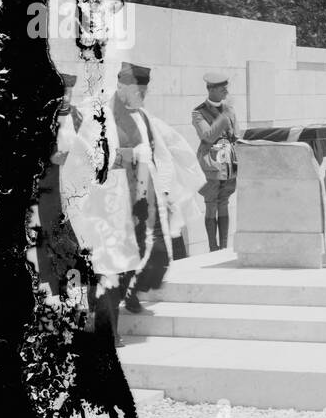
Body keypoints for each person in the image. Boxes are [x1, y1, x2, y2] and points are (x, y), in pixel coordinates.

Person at [63, 62, 202, 346]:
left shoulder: (142, 117)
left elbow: (163, 151)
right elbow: (87, 155)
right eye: (137, 90)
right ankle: (108, 328)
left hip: (140, 202)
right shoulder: (97, 113)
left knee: (142, 259)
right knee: (111, 263)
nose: (141, 96)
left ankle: (126, 299)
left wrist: (165, 192)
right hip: (108, 203)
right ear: (123, 86)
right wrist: (126, 154)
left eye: (145, 91)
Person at [33, 72, 85, 296]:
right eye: (61, 92)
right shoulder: (44, 116)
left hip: (73, 185)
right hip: (50, 185)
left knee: (73, 233)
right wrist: (53, 155)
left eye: (68, 92)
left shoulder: (76, 115)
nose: (65, 96)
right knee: (51, 232)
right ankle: (54, 287)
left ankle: (73, 285)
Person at [192, 70, 241, 251]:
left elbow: (236, 136)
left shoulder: (230, 111)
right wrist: (225, 115)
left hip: (228, 164)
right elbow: (208, 136)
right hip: (210, 164)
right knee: (211, 204)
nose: (226, 92)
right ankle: (213, 248)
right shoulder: (199, 112)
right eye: (222, 89)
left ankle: (224, 247)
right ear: (211, 89)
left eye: (226, 88)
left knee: (224, 203)